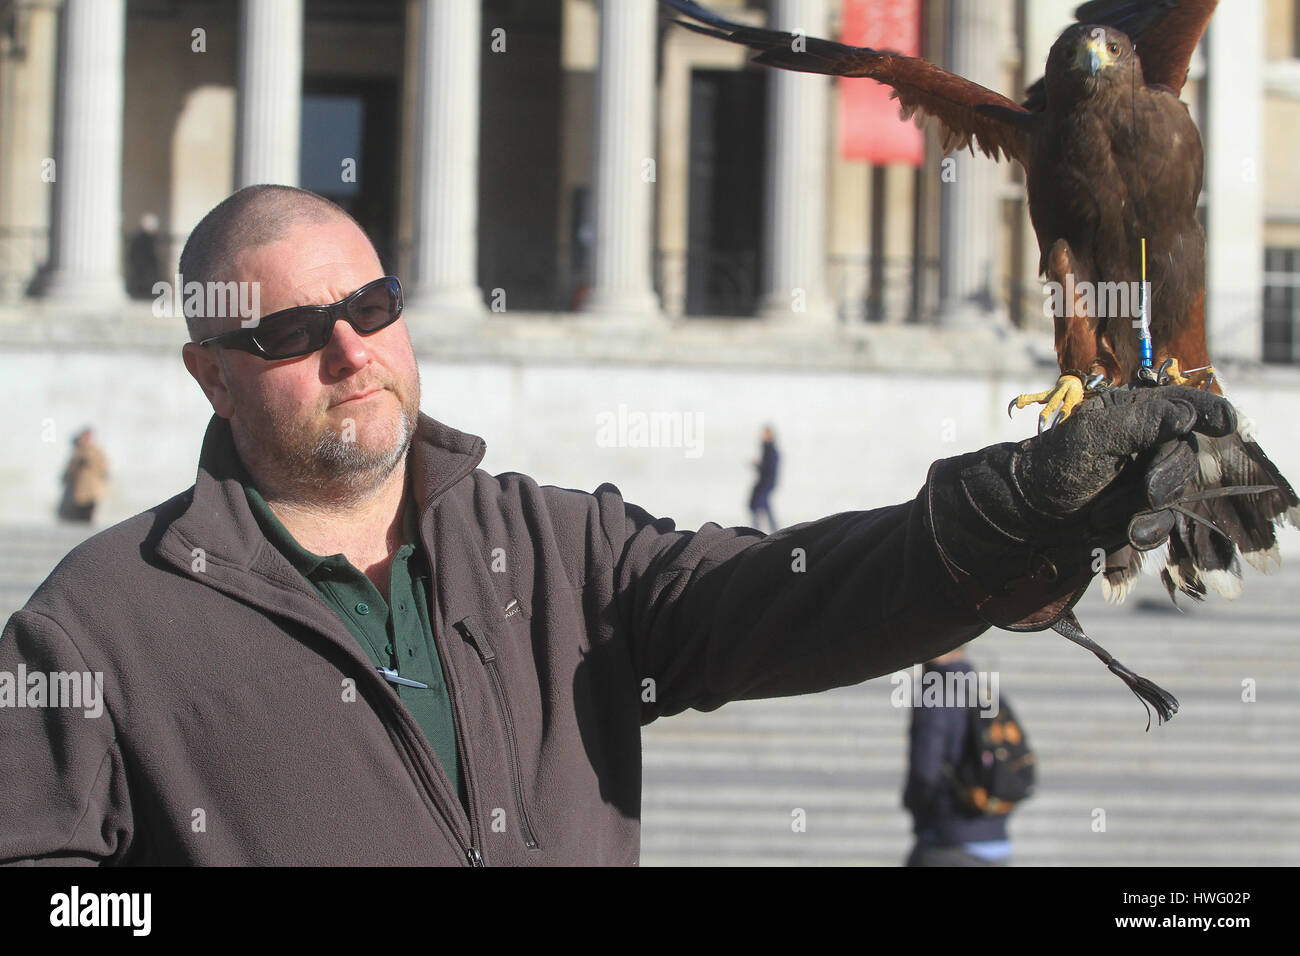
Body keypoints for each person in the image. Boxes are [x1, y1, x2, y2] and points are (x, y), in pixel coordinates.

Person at [0, 185, 1237, 866]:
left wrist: (1016, 515)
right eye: (287, 332)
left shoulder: (551, 549)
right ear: (208, 372)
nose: (348, 349)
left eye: (372, 303)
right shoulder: (95, 624)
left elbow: (782, 592)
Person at [903, 648, 1013, 866]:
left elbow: (924, 773)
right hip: (997, 843)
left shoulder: (935, 695)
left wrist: (916, 809)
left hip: (947, 841)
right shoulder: (986, 691)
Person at [57, 427, 109, 524]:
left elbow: (103, 468)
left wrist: (89, 461)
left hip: (91, 491)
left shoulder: (96, 452)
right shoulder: (77, 452)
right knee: (77, 519)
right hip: (78, 492)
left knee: (87, 517)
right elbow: (70, 470)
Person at [749, 425, 779, 532]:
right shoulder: (767, 449)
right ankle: (773, 530)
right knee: (763, 508)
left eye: (766, 434)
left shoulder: (771, 451)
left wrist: (758, 465)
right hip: (764, 484)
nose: (763, 436)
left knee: (756, 506)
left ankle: (755, 532)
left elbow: (769, 469)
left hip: (765, 484)